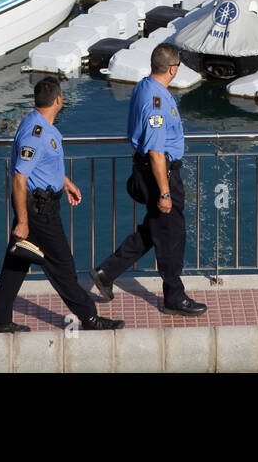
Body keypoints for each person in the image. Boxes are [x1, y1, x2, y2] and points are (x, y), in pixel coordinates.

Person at [0, 77, 123, 333]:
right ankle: (90, 318)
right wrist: (24, 221)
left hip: (41, 204)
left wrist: (66, 182)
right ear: (59, 100)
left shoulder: (37, 123)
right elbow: (20, 177)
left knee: (16, 264)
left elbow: (43, 166)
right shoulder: (35, 133)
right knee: (63, 267)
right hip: (39, 212)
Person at [90, 43, 207, 316]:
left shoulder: (145, 86)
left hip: (151, 171)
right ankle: (174, 298)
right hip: (160, 173)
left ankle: (107, 272)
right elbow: (156, 152)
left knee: (156, 229)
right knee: (172, 235)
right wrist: (165, 192)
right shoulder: (156, 101)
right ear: (172, 69)